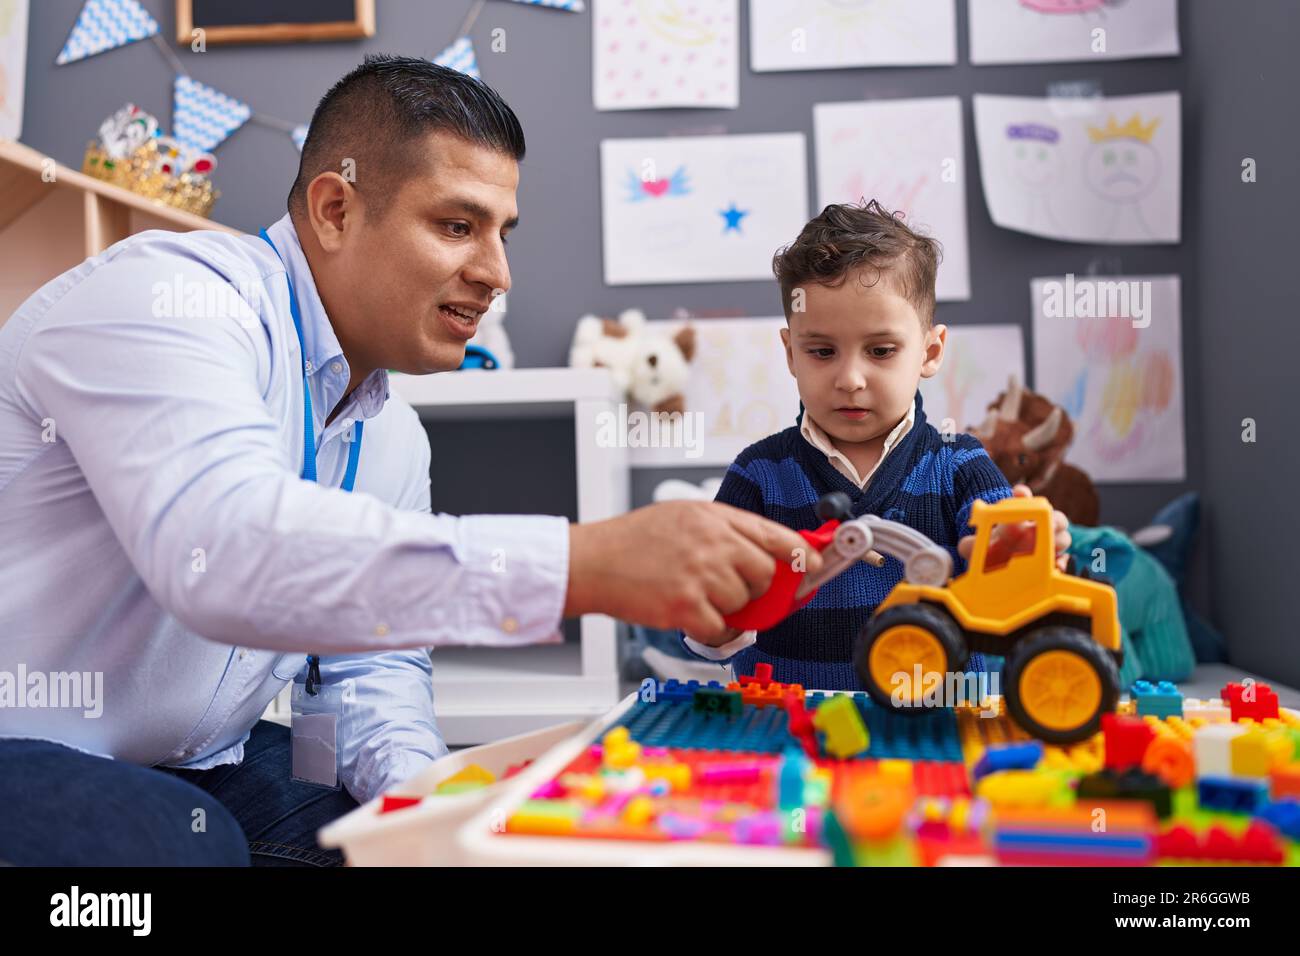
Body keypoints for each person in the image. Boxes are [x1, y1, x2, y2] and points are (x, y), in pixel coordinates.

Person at [0, 56, 815, 866]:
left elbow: (371, 662)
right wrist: (590, 562)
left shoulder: (390, 432)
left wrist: (429, 810)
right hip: (25, 744)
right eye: (458, 226)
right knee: (175, 843)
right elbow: (228, 550)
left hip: (203, 768)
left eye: (502, 234)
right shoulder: (171, 301)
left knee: (416, 840)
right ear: (333, 210)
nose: (496, 273)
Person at [681, 200, 1070, 689]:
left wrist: (1037, 556)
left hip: (942, 723)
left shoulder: (962, 464)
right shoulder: (758, 474)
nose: (850, 379)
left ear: (929, 352)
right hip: (792, 728)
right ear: (790, 354)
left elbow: (1016, 600)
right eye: (821, 351)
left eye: (881, 351)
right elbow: (710, 630)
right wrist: (716, 613)